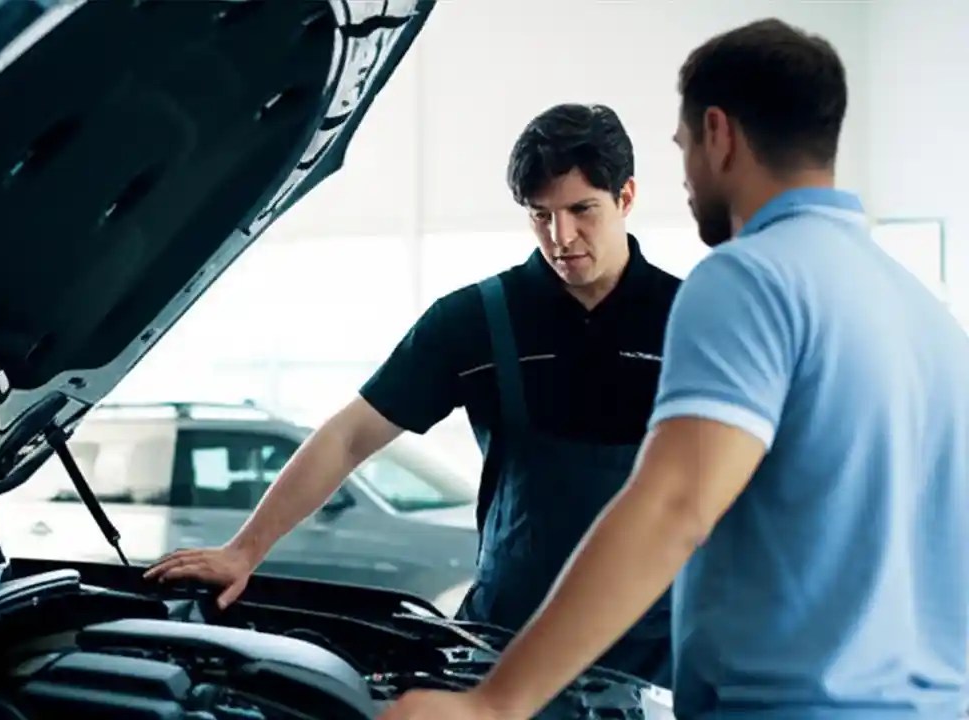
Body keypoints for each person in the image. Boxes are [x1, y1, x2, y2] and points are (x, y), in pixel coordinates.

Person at [379, 17, 969, 720]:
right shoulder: (925, 315)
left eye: (683, 145)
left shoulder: (747, 279)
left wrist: (497, 702)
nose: (685, 175)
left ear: (718, 134)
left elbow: (675, 503)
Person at [145, 103, 682, 684]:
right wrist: (245, 550)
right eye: (540, 215)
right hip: (509, 645)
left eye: (583, 211)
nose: (562, 237)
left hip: (660, 651)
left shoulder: (696, 316)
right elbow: (350, 436)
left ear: (625, 197)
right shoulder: (476, 320)